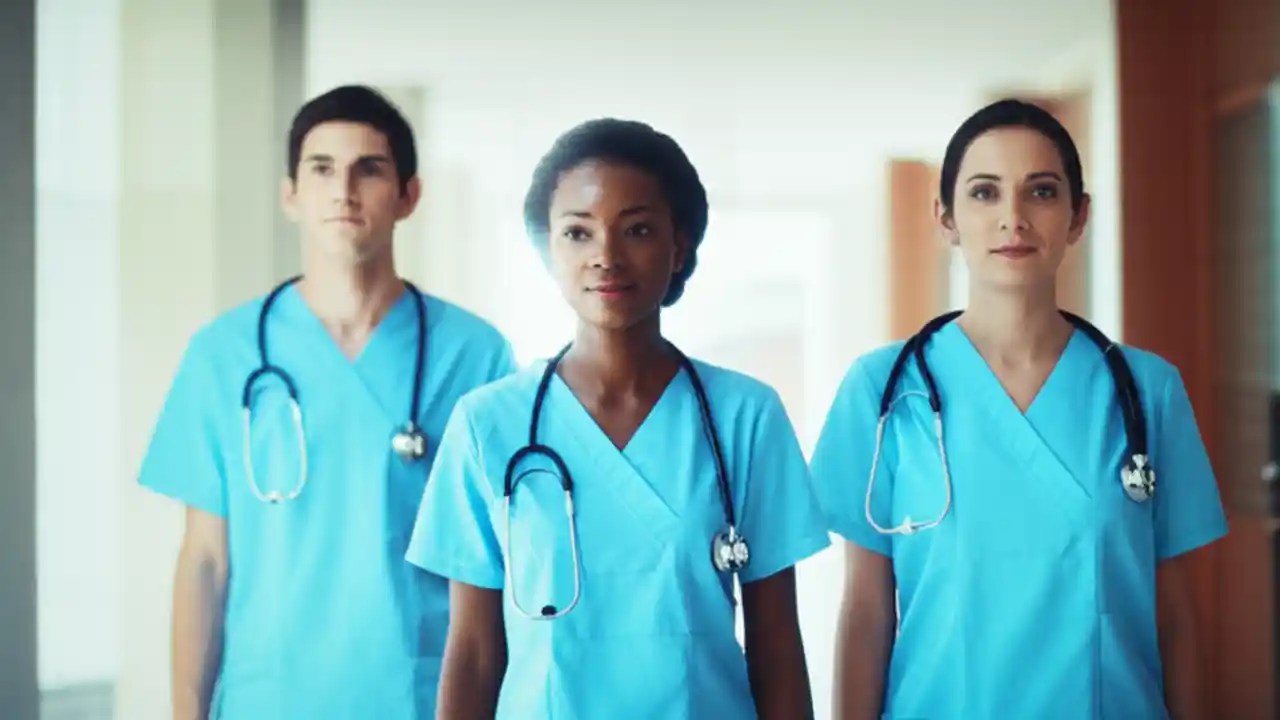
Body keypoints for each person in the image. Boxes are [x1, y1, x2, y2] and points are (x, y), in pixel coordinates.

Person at [811, 99, 1229, 720]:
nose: (1013, 217)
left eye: (1041, 191)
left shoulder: (1149, 391)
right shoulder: (881, 389)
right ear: (946, 217)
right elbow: (867, 611)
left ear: (1077, 216)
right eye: (984, 193)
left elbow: (1176, 615)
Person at [405, 118, 830, 719]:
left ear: (678, 246)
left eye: (636, 229)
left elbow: (777, 644)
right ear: (549, 250)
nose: (606, 256)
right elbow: (473, 652)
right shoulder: (487, 425)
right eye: (578, 233)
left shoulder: (745, 416)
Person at [137, 85, 516, 720]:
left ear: (408, 196)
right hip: (269, 698)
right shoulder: (224, 354)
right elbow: (204, 560)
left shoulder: (474, 356)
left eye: (369, 169)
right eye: (321, 169)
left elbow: (495, 561)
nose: (343, 189)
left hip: (418, 697)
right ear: (291, 195)